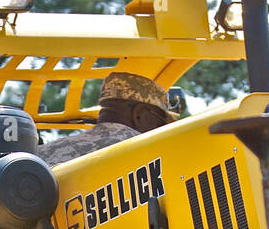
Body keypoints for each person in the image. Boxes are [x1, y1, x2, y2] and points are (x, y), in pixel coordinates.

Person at [36, 71, 177, 167]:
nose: (162, 130)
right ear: (139, 114)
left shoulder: (40, 154)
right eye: (161, 122)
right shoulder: (148, 157)